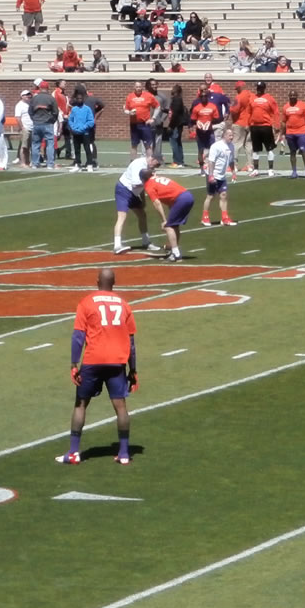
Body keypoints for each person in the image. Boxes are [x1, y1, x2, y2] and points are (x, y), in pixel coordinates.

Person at [55, 267, 138, 467]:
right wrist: (133, 369)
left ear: (97, 281)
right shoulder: (124, 305)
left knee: (81, 404)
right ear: (114, 283)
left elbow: (78, 337)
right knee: (121, 407)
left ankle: (74, 452)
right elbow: (132, 342)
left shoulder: (86, 302)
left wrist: (74, 364)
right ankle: (124, 453)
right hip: (117, 361)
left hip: (93, 360)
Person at [112, 151, 162, 254]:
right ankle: (117, 245)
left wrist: (143, 200)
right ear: (152, 159)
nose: (157, 166)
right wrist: (151, 180)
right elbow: (136, 184)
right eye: (157, 164)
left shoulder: (148, 168)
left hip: (133, 194)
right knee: (122, 216)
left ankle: (146, 242)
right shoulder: (138, 164)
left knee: (142, 215)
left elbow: (142, 185)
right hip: (123, 190)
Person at [138, 167, 193, 261]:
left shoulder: (149, 185)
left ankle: (175, 253)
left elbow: (157, 203)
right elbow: (170, 193)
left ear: (143, 179)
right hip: (188, 196)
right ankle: (173, 249)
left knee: (168, 226)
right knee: (174, 226)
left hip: (180, 199)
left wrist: (164, 220)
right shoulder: (158, 179)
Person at [201, 125, 236, 227]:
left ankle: (225, 218)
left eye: (232, 135)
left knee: (224, 195)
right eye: (230, 135)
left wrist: (233, 172)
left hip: (222, 175)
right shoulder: (216, 146)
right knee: (210, 196)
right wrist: (211, 175)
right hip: (213, 174)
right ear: (224, 135)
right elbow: (211, 161)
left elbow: (231, 160)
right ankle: (205, 217)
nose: (231, 137)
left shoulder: (231, 146)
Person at [68, 85, 99, 172]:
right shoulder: (74, 109)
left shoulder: (87, 109)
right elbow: (70, 120)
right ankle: (78, 164)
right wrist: (73, 128)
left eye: (81, 99)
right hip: (76, 132)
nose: (79, 100)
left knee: (87, 149)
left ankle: (89, 164)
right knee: (77, 149)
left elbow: (91, 121)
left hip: (85, 133)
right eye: (78, 99)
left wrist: (84, 128)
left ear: (83, 100)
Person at [27, 78, 57, 168]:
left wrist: (34, 119)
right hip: (48, 123)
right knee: (50, 144)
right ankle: (50, 164)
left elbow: (30, 111)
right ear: (47, 88)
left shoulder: (34, 98)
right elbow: (55, 112)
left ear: (40, 88)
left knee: (35, 144)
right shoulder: (51, 98)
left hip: (37, 123)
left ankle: (35, 164)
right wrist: (52, 120)